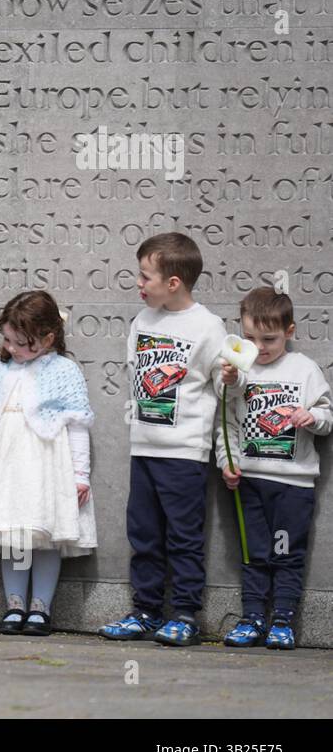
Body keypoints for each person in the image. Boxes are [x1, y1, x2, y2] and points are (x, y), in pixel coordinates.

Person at [100, 233, 226, 647]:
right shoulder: (142, 321)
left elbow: (221, 391)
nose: (139, 283)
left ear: (174, 282)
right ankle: (146, 611)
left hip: (185, 453)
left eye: (145, 276)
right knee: (144, 534)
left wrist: (233, 380)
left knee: (184, 537)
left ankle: (186, 613)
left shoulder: (208, 327)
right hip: (144, 447)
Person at [0, 291, 95, 637]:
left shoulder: (64, 371)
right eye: (7, 340)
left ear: (48, 339)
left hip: (44, 462)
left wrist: (80, 475)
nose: (13, 349)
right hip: (4, 462)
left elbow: (77, 425)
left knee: (44, 534)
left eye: (22, 343)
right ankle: (15, 604)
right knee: (13, 533)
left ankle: (41, 607)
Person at [217, 287, 331, 649]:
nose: (260, 347)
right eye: (250, 338)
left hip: (293, 485)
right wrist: (226, 463)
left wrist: (312, 416)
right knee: (253, 554)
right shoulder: (239, 373)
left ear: (290, 332)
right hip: (249, 482)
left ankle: (282, 619)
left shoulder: (305, 369)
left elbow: (328, 416)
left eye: (269, 339)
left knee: (286, 554)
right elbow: (226, 424)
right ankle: (251, 617)